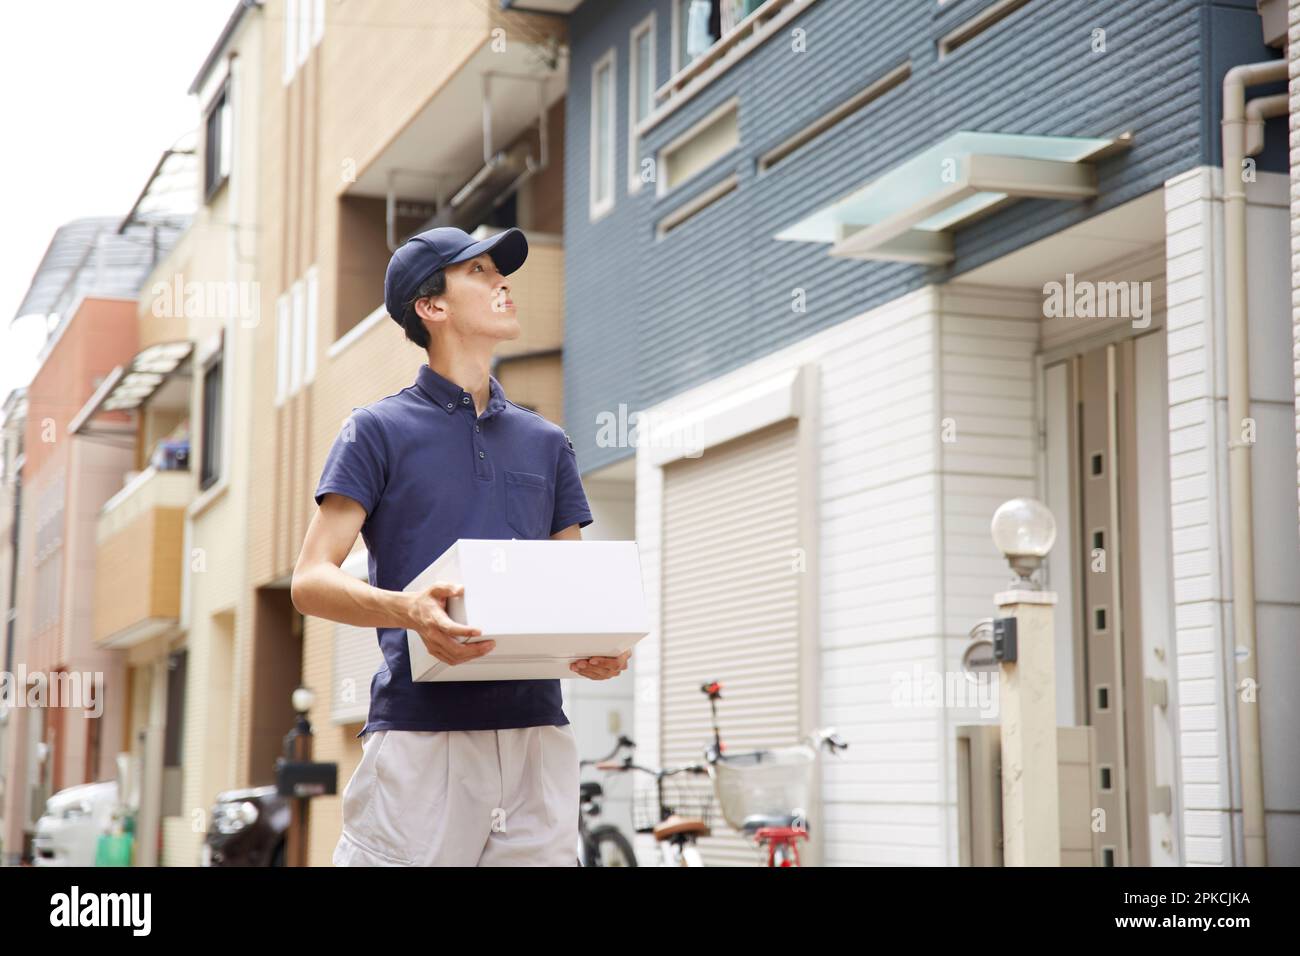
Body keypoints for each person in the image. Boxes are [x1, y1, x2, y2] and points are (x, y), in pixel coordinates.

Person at [291, 225, 629, 866]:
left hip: (536, 734)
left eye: (500, 272)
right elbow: (310, 579)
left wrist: (597, 647)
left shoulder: (546, 442)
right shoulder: (375, 431)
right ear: (431, 306)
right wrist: (409, 609)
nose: (502, 282)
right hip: (422, 734)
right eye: (477, 272)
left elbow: (571, 585)